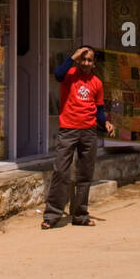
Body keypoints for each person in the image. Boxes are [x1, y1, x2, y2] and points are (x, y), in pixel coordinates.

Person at [42, 46, 115, 228]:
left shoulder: (97, 83)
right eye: (83, 59)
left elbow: (97, 109)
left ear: (93, 63)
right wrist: (73, 56)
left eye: (89, 60)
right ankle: (52, 216)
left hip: (89, 131)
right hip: (68, 129)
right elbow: (57, 74)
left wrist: (105, 122)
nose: (86, 63)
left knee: (84, 174)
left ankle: (80, 215)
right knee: (61, 171)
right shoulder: (70, 74)